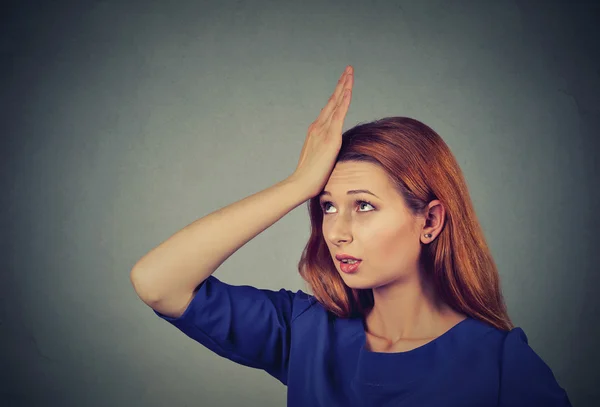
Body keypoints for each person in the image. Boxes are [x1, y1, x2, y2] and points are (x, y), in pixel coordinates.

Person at [130, 65, 572, 406]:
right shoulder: (305, 331)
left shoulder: (500, 365)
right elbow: (157, 282)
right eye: (327, 207)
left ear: (430, 222)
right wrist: (297, 185)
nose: (336, 232)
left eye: (363, 206)